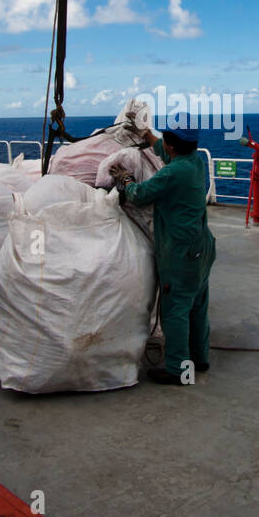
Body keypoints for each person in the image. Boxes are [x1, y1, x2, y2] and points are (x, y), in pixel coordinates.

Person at [109, 110, 216, 386]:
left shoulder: (171, 173)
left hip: (180, 253)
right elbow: (165, 152)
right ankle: (199, 358)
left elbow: (140, 196)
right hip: (202, 246)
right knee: (197, 304)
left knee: (175, 309)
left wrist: (126, 179)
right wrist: (146, 134)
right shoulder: (195, 162)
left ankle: (179, 369)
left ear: (171, 143)